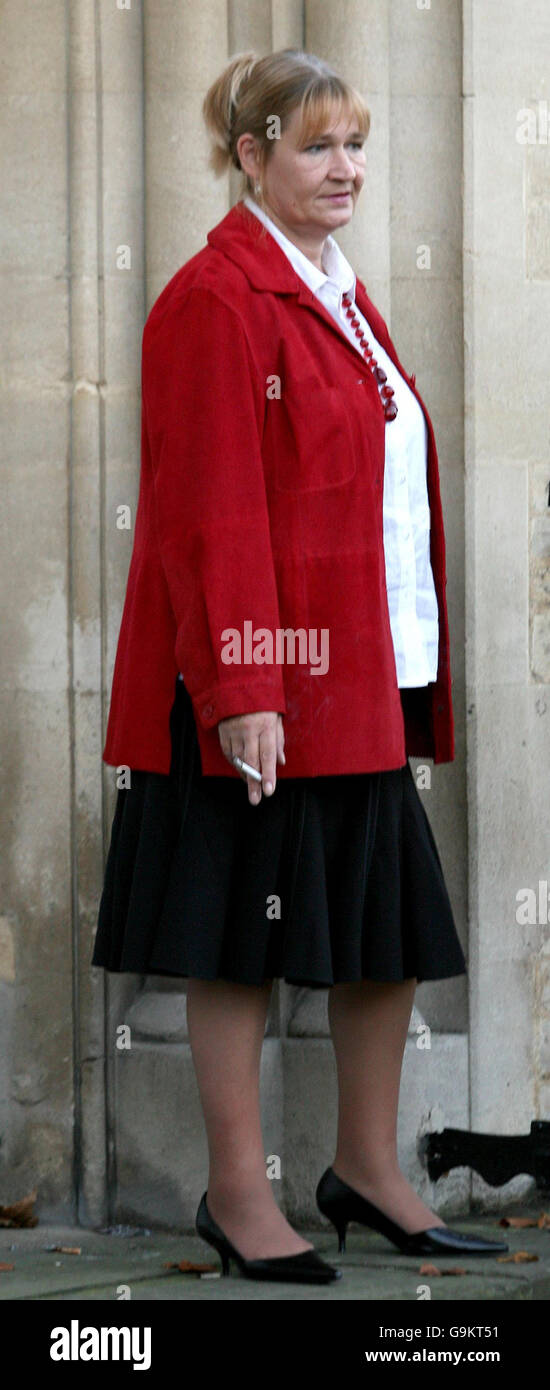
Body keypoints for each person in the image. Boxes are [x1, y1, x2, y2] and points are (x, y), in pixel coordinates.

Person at [91, 48, 508, 1283]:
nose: (346, 168)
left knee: (383, 934)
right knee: (236, 939)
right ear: (250, 153)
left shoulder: (338, 294)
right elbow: (206, 511)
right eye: (316, 144)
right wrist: (243, 689)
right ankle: (235, 1193)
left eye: (356, 144)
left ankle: (367, 1173)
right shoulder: (213, 302)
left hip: (360, 677)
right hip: (263, 689)